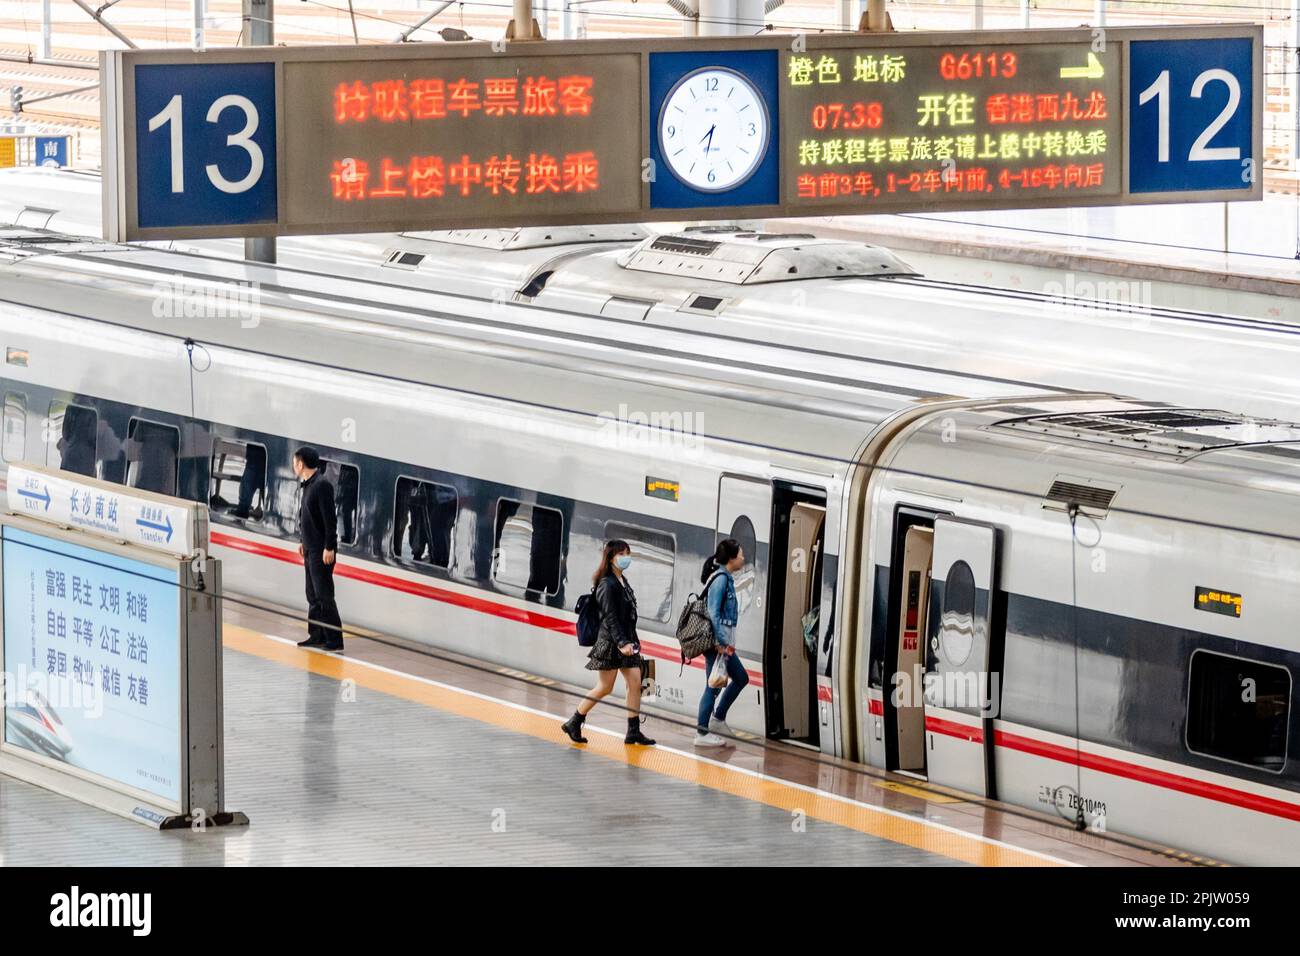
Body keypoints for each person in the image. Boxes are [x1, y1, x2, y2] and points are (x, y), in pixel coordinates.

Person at [560, 540, 656, 746]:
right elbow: (609, 617)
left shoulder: (622, 581)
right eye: (621, 554)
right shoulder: (607, 583)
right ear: (611, 558)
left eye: (628, 553)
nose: (626, 557)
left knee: (636, 684)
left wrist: (631, 641)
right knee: (605, 687)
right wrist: (622, 642)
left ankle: (633, 731)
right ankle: (575, 721)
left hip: (627, 641)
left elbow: (627, 614)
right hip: (612, 643)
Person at [694, 538, 749, 747]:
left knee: (739, 678)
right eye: (741, 554)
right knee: (713, 686)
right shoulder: (720, 580)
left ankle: (717, 719)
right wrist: (719, 641)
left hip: (723, 644)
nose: (743, 558)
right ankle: (702, 732)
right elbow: (713, 612)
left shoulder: (726, 578)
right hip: (717, 644)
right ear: (732, 558)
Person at [293, 446, 344, 652]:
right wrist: (302, 540)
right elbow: (306, 517)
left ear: (301, 463)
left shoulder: (322, 485)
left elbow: (330, 519)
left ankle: (334, 639)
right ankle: (316, 635)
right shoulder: (308, 485)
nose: (293, 465)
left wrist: (329, 547)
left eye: (294, 462)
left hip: (321, 550)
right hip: (310, 548)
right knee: (312, 594)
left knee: (324, 594)